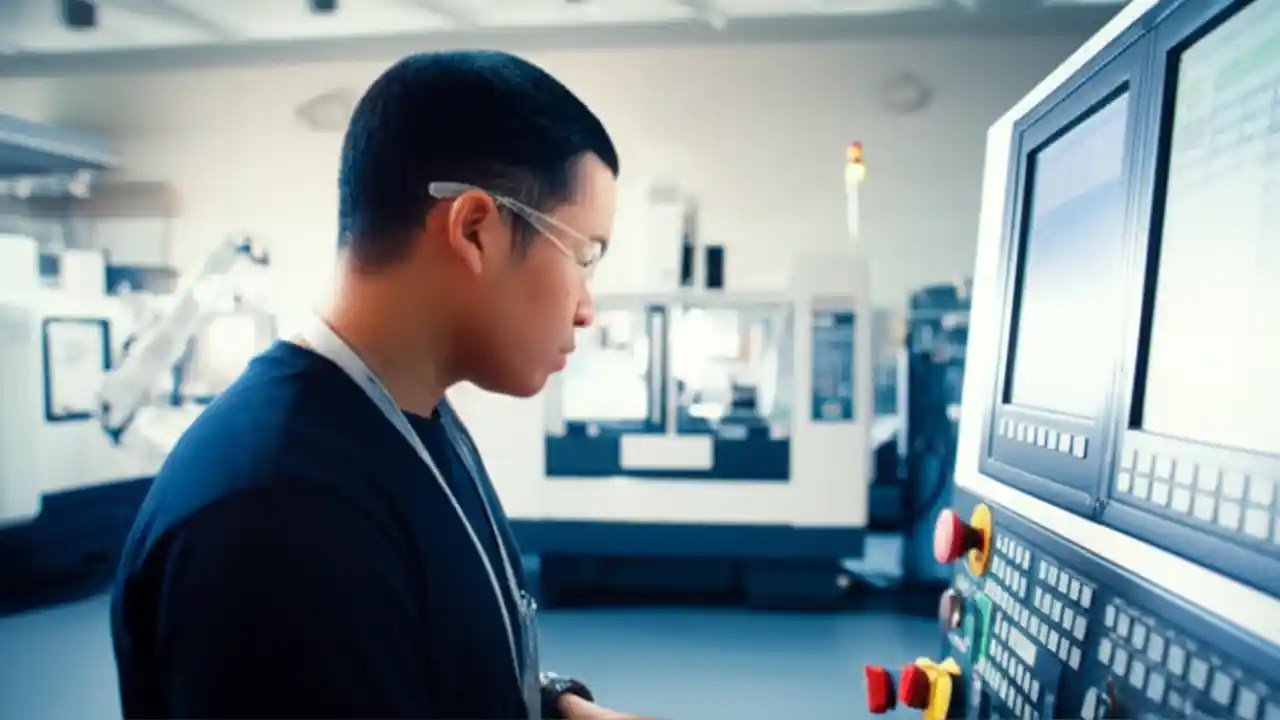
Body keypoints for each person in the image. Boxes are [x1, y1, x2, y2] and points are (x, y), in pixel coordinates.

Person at [109, 50, 641, 719]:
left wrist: (557, 708)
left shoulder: (410, 421)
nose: (587, 307)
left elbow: (440, 654)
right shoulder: (278, 519)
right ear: (475, 230)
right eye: (584, 256)